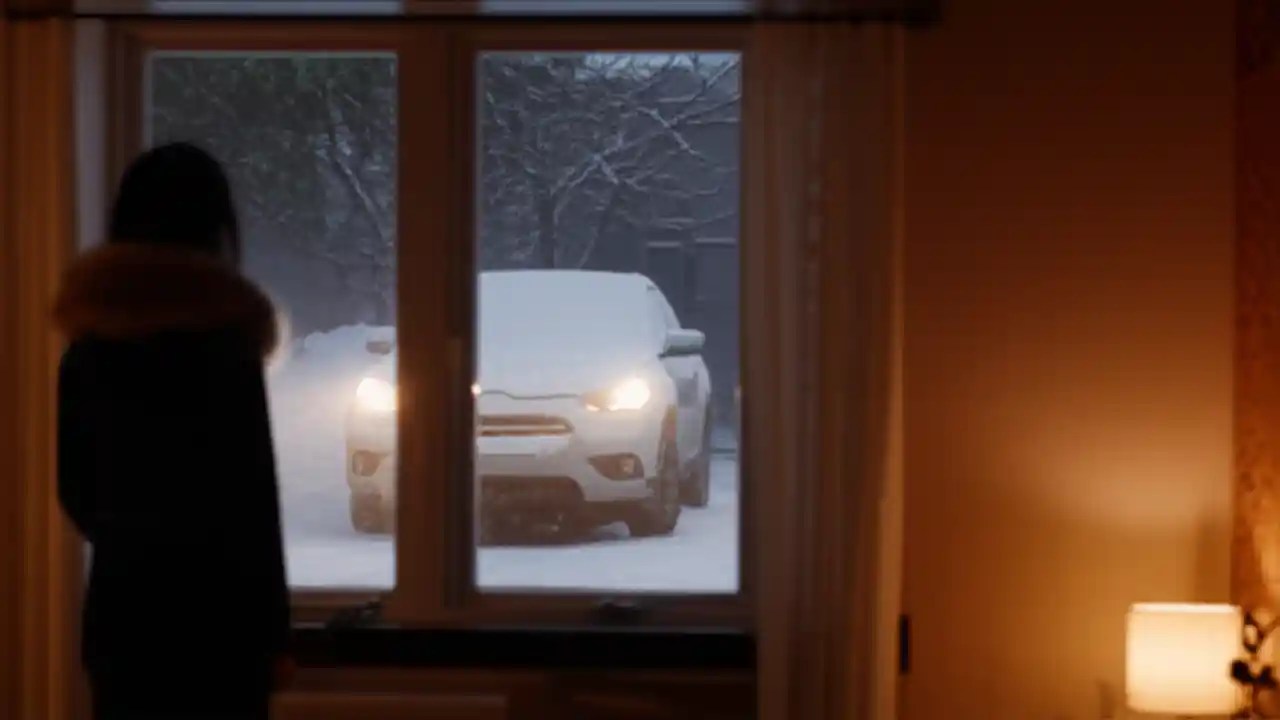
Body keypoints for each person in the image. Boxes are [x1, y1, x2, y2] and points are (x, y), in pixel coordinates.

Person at [54, 143, 291, 719]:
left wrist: (133, 539)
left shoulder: (90, 350)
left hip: (124, 614)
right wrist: (273, 631)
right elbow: (253, 499)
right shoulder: (224, 348)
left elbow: (75, 489)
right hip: (220, 622)